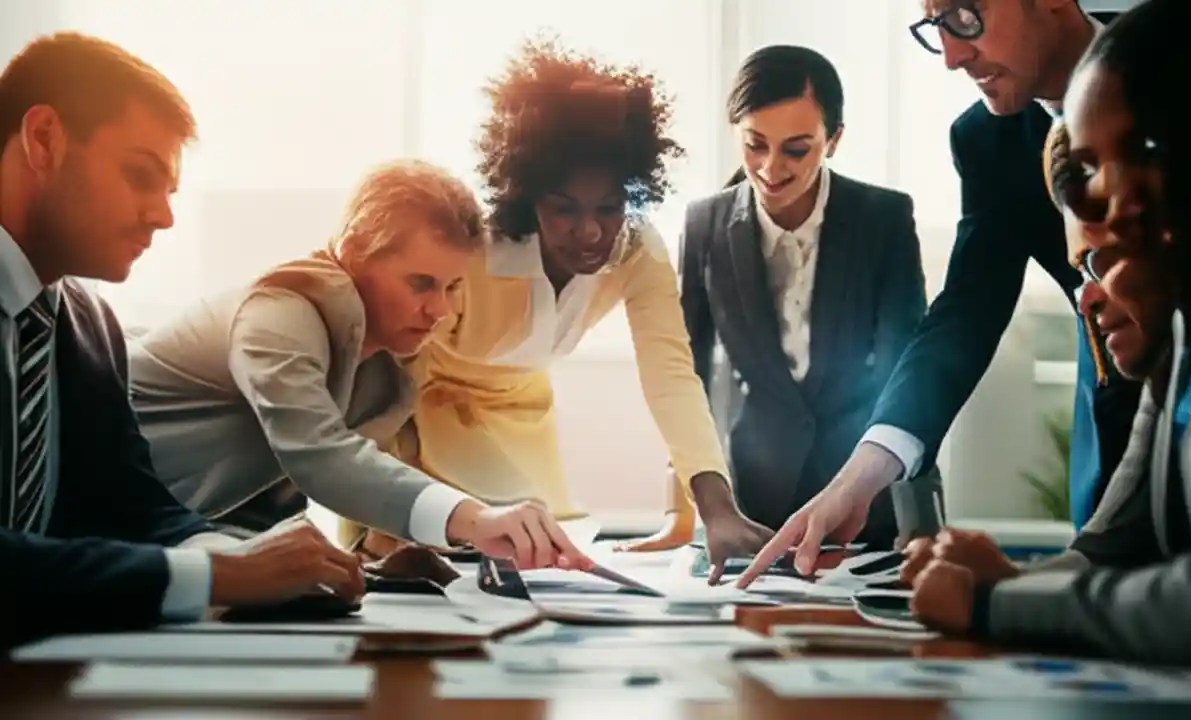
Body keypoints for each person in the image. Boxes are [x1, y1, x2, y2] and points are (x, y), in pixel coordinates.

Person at [909, 0, 1191, 672]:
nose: (1080, 214)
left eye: (1088, 170)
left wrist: (990, 606)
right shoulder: (1181, 334)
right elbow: (1111, 548)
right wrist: (1006, 584)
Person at [739, 0, 1143, 587]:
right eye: (936, 27)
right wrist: (864, 473)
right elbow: (966, 311)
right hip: (1116, 421)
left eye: (966, 16)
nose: (952, 56)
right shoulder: (988, 139)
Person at [350, 38, 772, 580]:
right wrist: (369, 510)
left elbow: (671, 377)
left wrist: (718, 509)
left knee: (536, 563)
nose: (591, 231)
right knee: (419, 566)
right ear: (528, 195)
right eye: (564, 209)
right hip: (412, 407)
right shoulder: (473, 244)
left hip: (518, 418)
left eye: (610, 207)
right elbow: (395, 369)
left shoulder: (637, 250)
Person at [0, 32, 364, 648]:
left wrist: (249, 558)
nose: (164, 215)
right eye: (141, 176)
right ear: (43, 140)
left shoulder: (89, 325)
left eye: (169, 190)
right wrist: (217, 574)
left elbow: (134, 506)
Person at [128, 159, 593, 573]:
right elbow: (318, 453)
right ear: (354, 251)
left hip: (180, 534)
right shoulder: (280, 312)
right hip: (94, 521)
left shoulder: (386, 365)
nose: (440, 311)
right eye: (420, 283)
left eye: (452, 287)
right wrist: (475, 519)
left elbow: (359, 469)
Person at [679, 45, 926, 544]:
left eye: (796, 149)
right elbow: (687, 377)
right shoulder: (704, 224)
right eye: (754, 145)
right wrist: (687, 511)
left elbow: (909, 370)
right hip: (752, 504)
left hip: (861, 501)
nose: (771, 168)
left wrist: (916, 516)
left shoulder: (884, 219)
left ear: (833, 140)